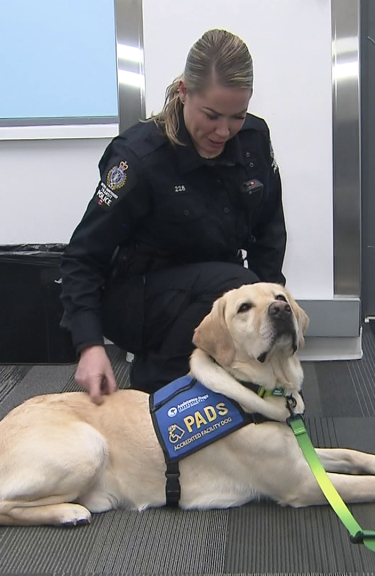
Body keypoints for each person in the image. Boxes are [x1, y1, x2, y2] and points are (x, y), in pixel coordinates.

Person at [59, 29, 287, 404]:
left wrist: (270, 312)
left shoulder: (254, 139)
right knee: (233, 285)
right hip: (138, 298)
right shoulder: (140, 158)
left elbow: (270, 232)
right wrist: (89, 344)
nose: (223, 131)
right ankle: (157, 390)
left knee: (244, 290)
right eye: (212, 115)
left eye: (237, 117)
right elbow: (83, 256)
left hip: (213, 288)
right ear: (184, 92)